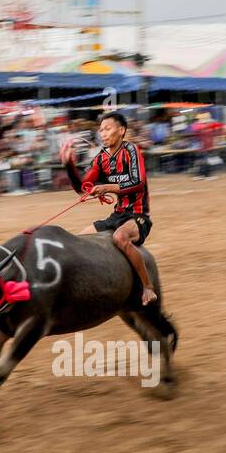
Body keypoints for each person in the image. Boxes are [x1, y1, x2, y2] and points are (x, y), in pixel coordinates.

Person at [60, 111, 158, 306]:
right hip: (118, 215)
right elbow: (83, 189)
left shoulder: (131, 150)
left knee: (120, 238)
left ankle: (148, 287)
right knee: (79, 241)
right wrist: (69, 166)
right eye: (101, 130)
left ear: (121, 131)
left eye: (108, 129)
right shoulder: (101, 158)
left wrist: (107, 187)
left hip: (138, 216)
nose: (103, 134)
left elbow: (138, 183)